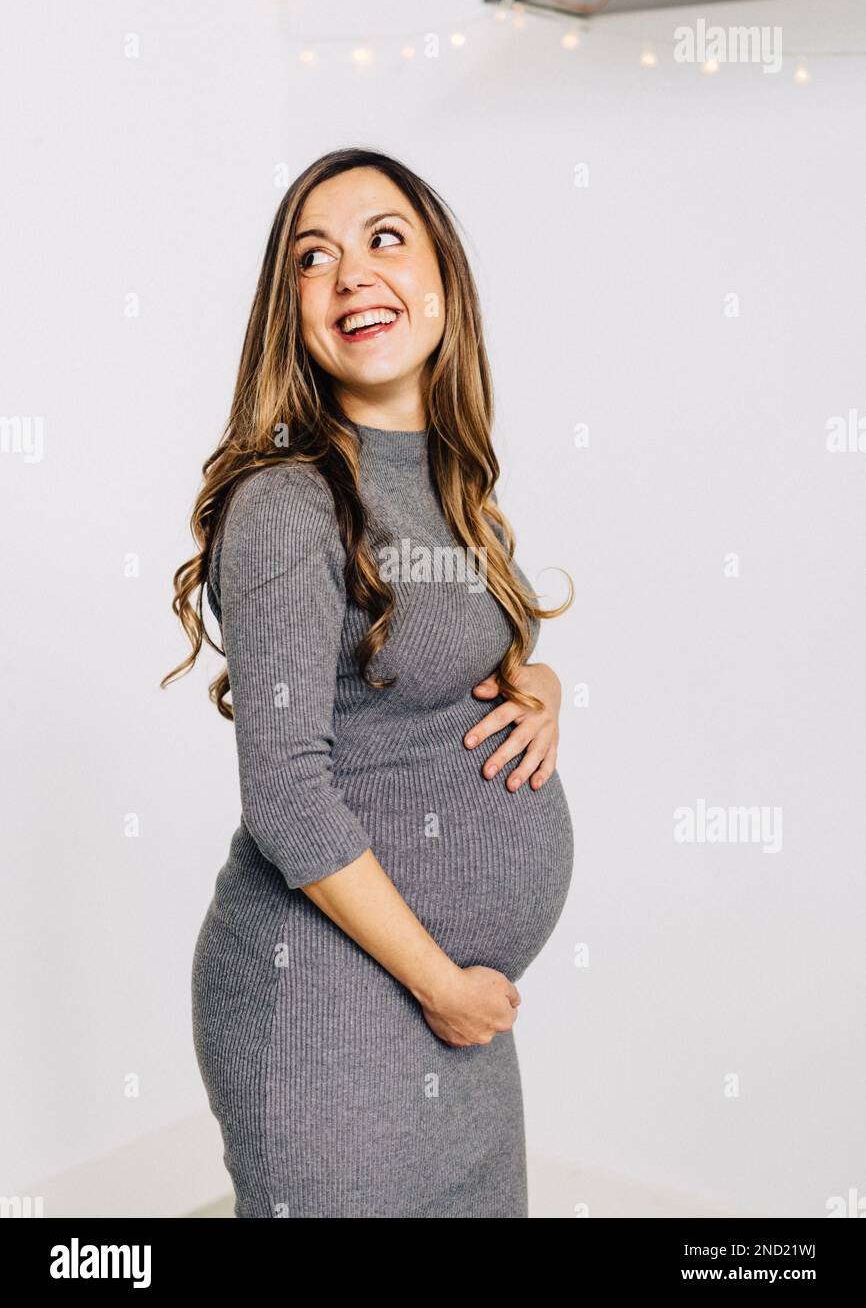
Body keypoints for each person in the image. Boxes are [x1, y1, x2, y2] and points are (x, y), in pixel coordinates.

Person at [162, 147, 575, 1218]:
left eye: (383, 237)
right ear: (287, 311)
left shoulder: (446, 480)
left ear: (441, 271)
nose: (351, 272)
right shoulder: (289, 502)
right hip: (330, 1007)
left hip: (450, 1017)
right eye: (314, 257)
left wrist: (538, 684)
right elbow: (287, 791)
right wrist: (439, 984)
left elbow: (440, 662)